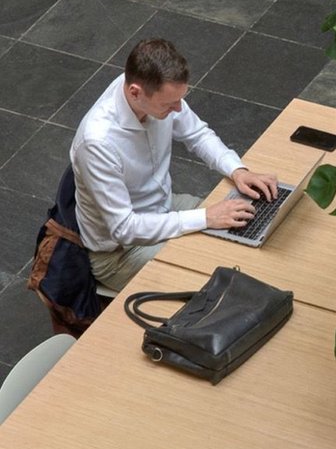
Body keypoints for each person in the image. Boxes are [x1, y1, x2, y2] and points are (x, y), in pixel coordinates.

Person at [70, 38, 277, 291]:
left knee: (248, 225)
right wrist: (206, 217)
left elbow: (197, 134)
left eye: (181, 99)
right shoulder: (98, 143)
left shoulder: (150, 91)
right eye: (169, 104)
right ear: (135, 92)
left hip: (163, 206)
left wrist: (237, 170)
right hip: (121, 253)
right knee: (216, 273)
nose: (178, 108)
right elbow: (124, 228)